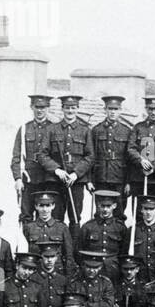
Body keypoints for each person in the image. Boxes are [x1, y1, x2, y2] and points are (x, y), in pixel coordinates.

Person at [42, 94, 94, 235]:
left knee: (75, 218)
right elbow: (42, 154)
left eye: (73, 108)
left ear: (77, 109)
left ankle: (73, 253)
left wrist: (76, 174)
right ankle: (55, 251)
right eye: (67, 108)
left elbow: (90, 156)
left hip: (76, 182)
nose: (70, 111)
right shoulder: (52, 129)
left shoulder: (85, 131)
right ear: (62, 109)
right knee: (56, 217)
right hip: (55, 181)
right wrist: (57, 170)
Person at [12, 94, 58, 223]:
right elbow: (16, 157)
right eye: (37, 107)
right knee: (26, 215)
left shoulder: (54, 129)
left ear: (48, 108)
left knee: (45, 215)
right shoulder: (24, 129)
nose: (40, 110)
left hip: (48, 179)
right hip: (29, 179)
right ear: (32, 107)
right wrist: (17, 178)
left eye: (43, 107)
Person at [126, 94, 155, 222]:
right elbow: (131, 148)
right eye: (150, 109)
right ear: (146, 109)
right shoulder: (138, 127)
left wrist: (154, 167)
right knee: (139, 213)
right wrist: (141, 160)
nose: (153, 112)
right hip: (139, 177)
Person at [76, 190, 129, 284]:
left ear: (114, 206)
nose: (105, 209)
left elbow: (123, 252)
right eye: (102, 206)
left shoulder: (120, 227)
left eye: (108, 206)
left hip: (113, 270)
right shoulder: (88, 227)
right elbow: (79, 250)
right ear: (98, 205)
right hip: (92, 270)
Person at [24, 190, 78, 278]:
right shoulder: (29, 228)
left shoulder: (62, 228)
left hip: (57, 274)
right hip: (35, 274)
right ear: (36, 206)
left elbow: (69, 256)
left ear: (53, 206)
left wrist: (68, 277)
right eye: (41, 206)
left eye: (48, 205)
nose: (45, 210)